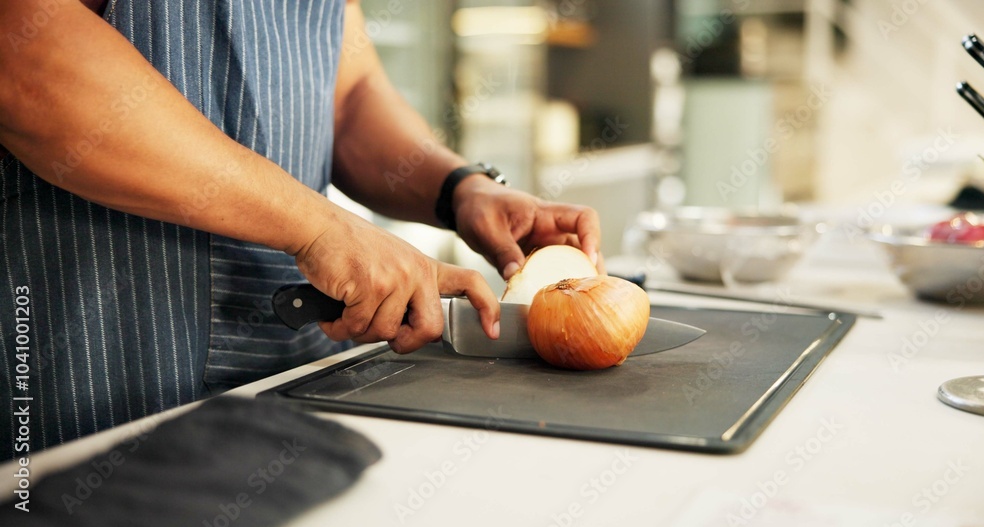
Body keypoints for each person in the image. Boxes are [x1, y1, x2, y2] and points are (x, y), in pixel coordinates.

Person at [0, 0, 603, 458]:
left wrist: (460, 188)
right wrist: (321, 229)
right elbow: (25, 61)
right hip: (81, 365)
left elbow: (349, 94)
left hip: (294, 379)